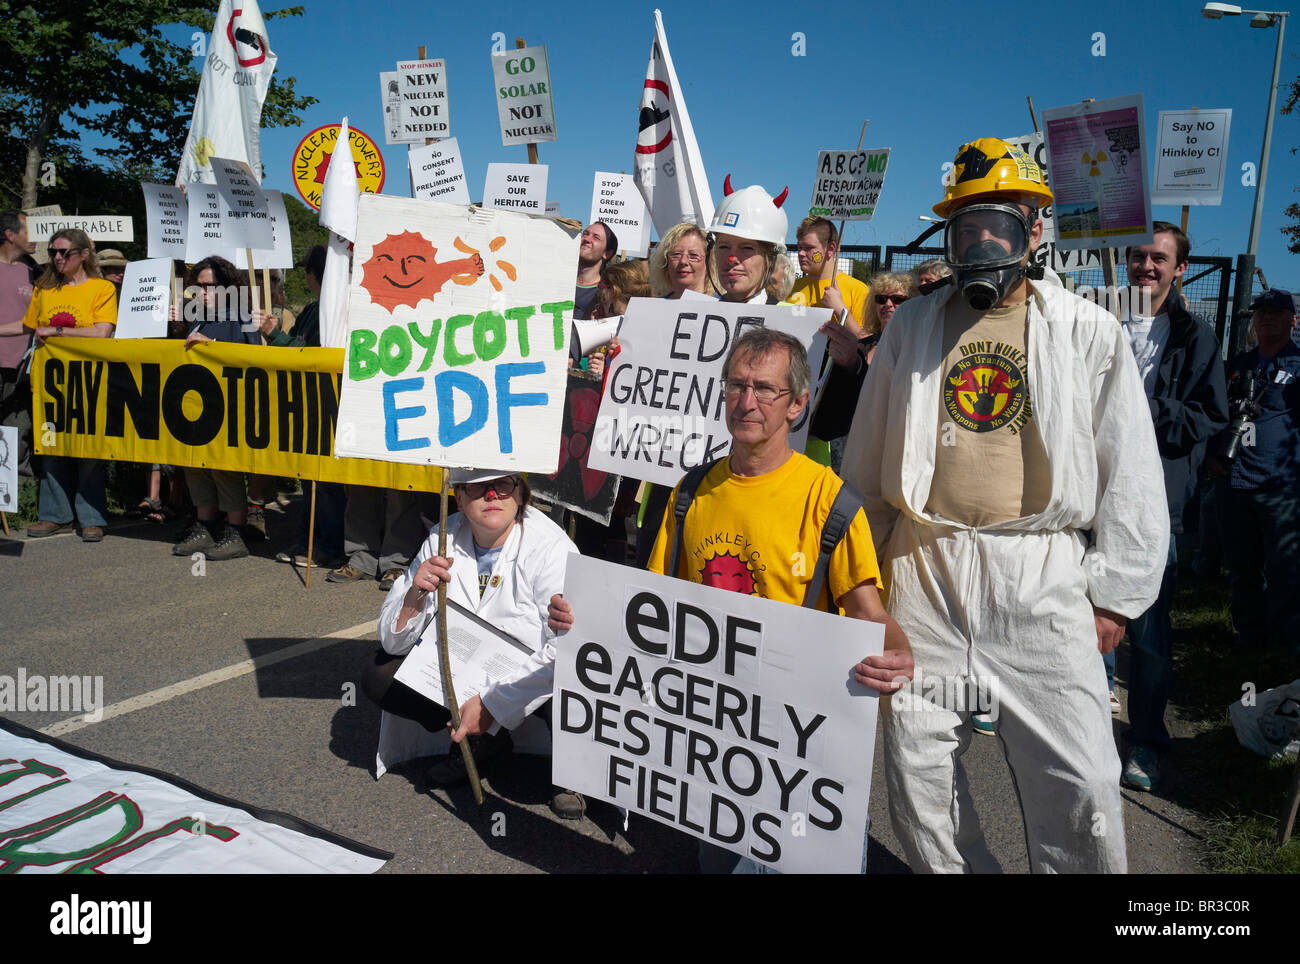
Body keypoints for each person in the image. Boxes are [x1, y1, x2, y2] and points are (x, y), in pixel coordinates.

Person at [841, 137, 1168, 873]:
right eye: (967, 227)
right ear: (948, 236)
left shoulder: (1088, 330)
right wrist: (863, 579)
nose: (984, 241)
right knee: (918, 769)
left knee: (1081, 775)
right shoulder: (912, 329)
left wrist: (1115, 597)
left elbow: (1130, 470)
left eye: (1002, 225)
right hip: (923, 565)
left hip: (1041, 571)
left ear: (1035, 230)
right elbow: (865, 461)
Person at [548, 328, 914, 871]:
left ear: (797, 404)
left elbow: (868, 613)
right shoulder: (691, 492)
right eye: (736, 386)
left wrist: (898, 655)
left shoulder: (831, 502)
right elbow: (651, 608)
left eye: (765, 389)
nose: (747, 403)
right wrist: (584, 621)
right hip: (715, 748)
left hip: (795, 743)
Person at [367, 469, 584, 817]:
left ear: (521, 493)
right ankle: (484, 743)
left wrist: (494, 705)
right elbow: (393, 643)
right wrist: (414, 597)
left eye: (503, 484)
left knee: (569, 688)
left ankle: (574, 774)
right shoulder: (442, 537)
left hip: (532, 670)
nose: (492, 495)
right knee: (380, 676)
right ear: (460, 497)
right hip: (468, 661)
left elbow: (565, 649)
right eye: (479, 487)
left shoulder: (551, 547)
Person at [1108, 222, 1228, 791]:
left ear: (1180, 268)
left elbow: (1208, 419)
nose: (1145, 267)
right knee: (1083, 621)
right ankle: (1083, 729)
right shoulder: (1100, 323)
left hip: (1154, 505)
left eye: (1158, 258)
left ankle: (1148, 743)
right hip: (1092, 495)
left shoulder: (1194, 337)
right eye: (1136, 256)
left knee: (1150, 635)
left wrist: (1140, 403)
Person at [1209, 288, 1299, 655]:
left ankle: (1285, 646)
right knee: (1242, 568)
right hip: (1235, 481)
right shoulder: (1239, 365)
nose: (1266, 319)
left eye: (1276, 313)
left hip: (1281, 485)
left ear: (1293, 320)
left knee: (1285, 570)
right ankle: (1249, 639)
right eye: (1261, 313)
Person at [23, 229, 117, 542]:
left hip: (88, 381)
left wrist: (57, 333)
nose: (58, 258)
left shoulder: (102, 288)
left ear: (84, 254)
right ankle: (55, 515)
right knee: (52, 449)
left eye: (64, 252)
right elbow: (30, 326)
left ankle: (91, 517)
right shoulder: (45, 288)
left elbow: (102, 333)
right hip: (49, 383)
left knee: (89, 452)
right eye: (53, 253)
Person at [169, 256, 264, 561]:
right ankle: (205, 525)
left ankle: (235, 530)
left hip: (230, 405)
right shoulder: (195, 316)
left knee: (225, 469)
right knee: (195, 465)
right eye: (198, 286)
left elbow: (253, 357)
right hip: (195, 406)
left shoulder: (243, 316)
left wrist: (211, 345)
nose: (203, 293)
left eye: (210, 286)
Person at [268, 245, 345, 569]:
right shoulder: (314, 309)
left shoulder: (338, 308)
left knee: (328, 482)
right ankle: (309, 537)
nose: (304, 277)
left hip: (330, 406)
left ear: (316, 274)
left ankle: (327, 544)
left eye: (307, 271)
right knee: (310, 478)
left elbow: (311, 352)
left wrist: (276, 335)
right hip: (308, 406)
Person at [707, 176, 789, 305]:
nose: (732, 259)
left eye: (747, 248)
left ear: (770, 260)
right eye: (723, 247)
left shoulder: (789, 320)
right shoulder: (692, 311)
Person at [0, 211, 36, 479]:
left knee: (16, 431)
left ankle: (14, 500)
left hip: (23, 367)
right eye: (28, 230)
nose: (34, 236)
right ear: (10, 235)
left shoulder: (38, 272)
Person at [788, 216, 870, 325]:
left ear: (831, 249)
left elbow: (864, 339)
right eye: (799, 247)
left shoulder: (858, 291)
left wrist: (840, 310)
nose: (801, 253)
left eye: (809, 248)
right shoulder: (792, 288)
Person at [649, 222, 709, 299]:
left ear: (708, 263)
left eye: (693, 255)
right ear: (666, 262)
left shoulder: (721, 308)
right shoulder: (652, 308)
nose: (683, 261)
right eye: (676, 254)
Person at [573, 222, 618, 321]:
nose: (587, 239)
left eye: (596, 237)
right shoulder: (556, 279)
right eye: (585, 234)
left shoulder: (607, 294)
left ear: (607, 253)